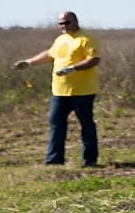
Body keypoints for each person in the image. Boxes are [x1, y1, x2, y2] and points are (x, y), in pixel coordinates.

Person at [12, 11, 101, 167]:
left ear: (76, 22)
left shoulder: (86, 39)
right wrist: (29, 62)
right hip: (59, 91)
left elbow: (94, 60)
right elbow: (49, 54)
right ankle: (54, 160)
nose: (63, 26)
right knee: (56, 124)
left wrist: (73, 68)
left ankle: (90, 161)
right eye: (61, 23)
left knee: (86, 125)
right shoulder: (60, 39)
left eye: (67, 22)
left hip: (82, 91)